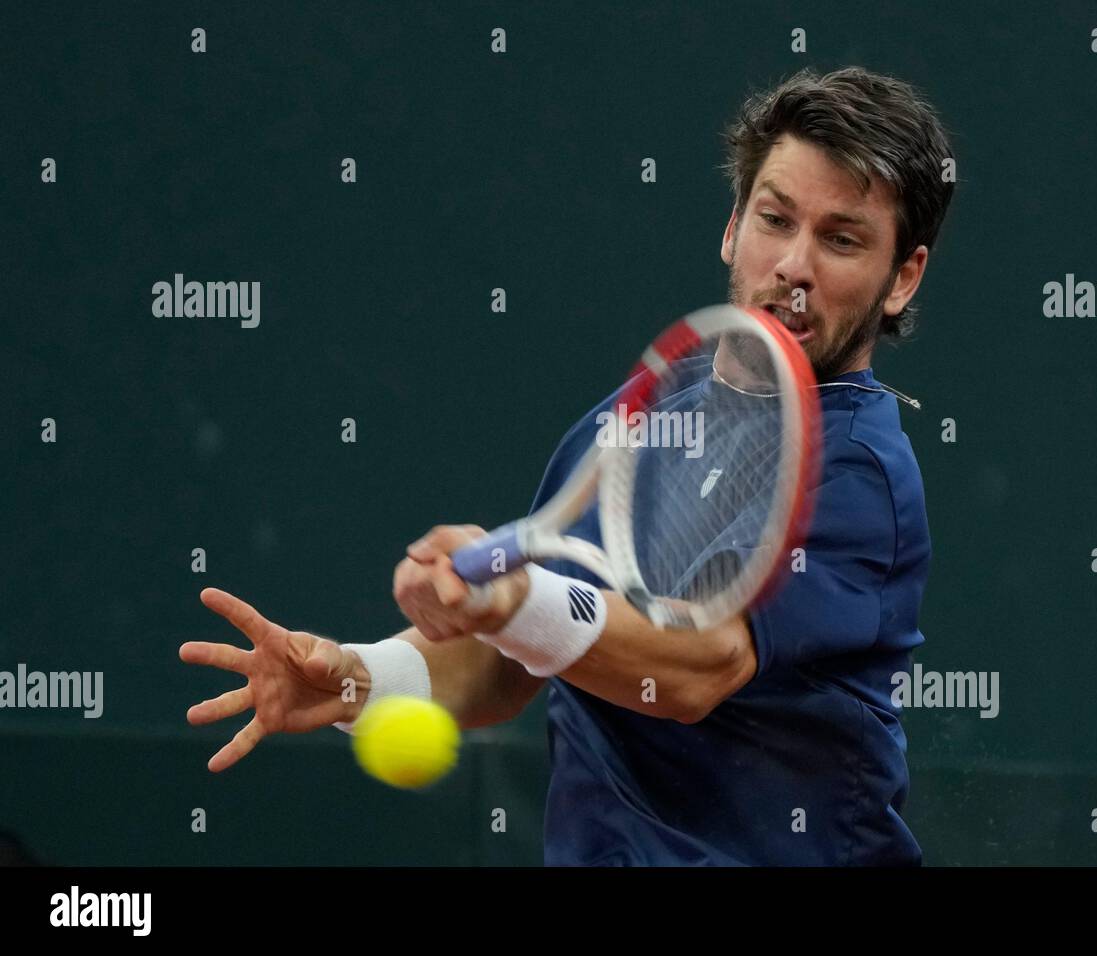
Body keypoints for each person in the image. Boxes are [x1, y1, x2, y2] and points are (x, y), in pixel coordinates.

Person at [181, 66, 955, 865]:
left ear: (902, 277)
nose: (794, 264)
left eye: (841, 239)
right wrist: (357, 679)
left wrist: (514, 600)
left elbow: (699, 666)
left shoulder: (858, 471)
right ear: (733, 226)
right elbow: (508, 660)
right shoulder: (642, 412)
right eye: (775, 218)